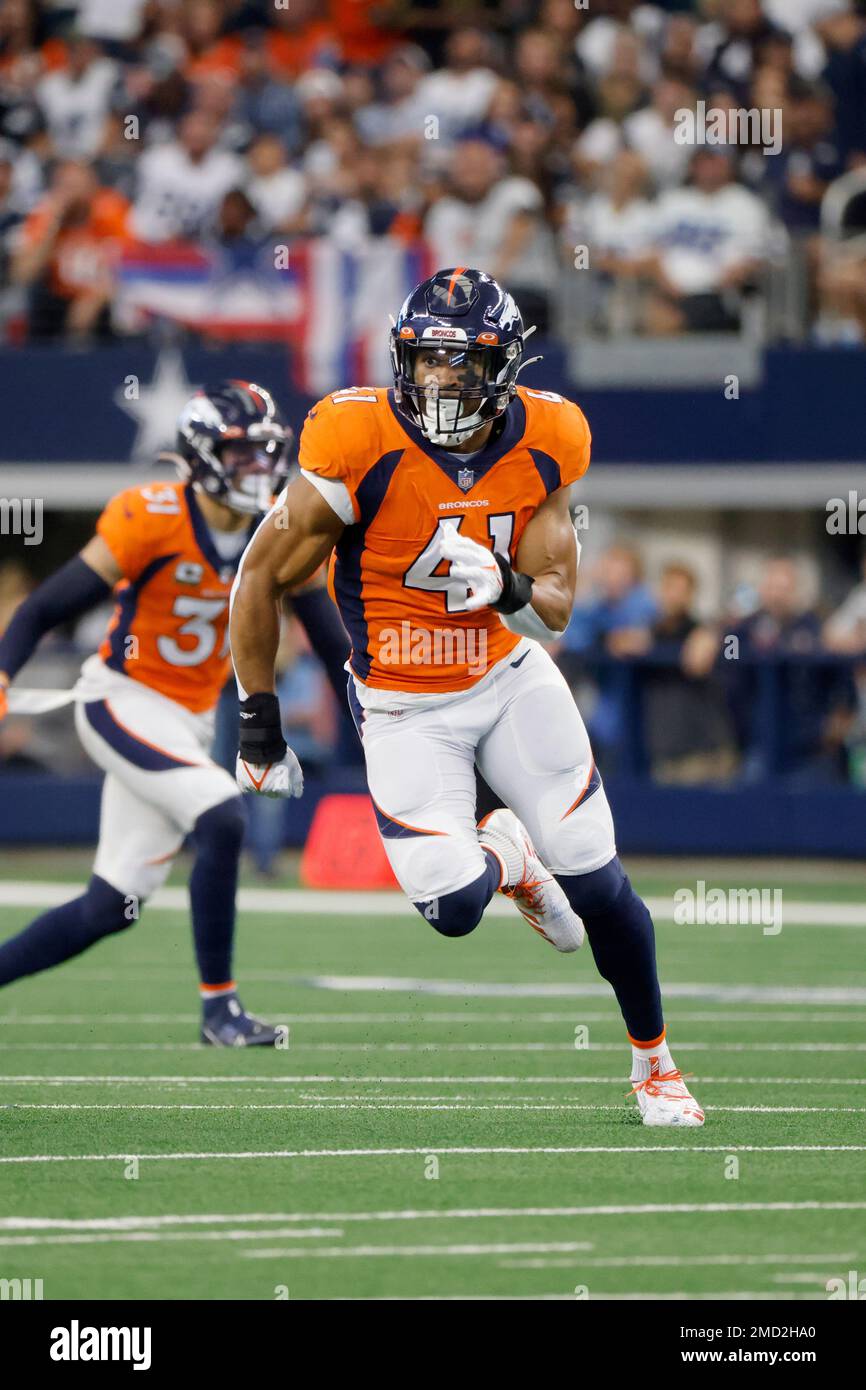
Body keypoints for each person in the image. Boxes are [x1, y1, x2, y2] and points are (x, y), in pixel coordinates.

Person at [229, 267, 704, 1126]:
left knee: (598, 888)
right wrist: (259, 725)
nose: (439, 382)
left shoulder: (550, 434)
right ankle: (510, 860)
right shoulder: (354, 435)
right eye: (424, 361)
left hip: (505, 678)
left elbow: (556, 606)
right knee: (451, 909)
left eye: (462, 363)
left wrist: (510, 586)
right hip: (403, 705)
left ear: (508, 366)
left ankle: (655, 1066)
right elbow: (261, 576)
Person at [0, 380, 347, 1045]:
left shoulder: (281, 524)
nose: (258, 470)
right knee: (222, 814)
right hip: (119, 699)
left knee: (110, 907)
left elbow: (330, 639)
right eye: (240, 455)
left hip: (184, 718)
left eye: (263, 454)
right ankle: (220, 1009)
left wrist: (373, 713)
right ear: (202, 455)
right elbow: (46, 607)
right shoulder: (150, 514)